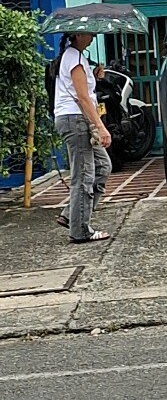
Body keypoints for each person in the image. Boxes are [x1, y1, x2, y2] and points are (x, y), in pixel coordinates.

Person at [54, 32, 113, 243]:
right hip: (75, 120)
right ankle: (80, 231)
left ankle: (72, 214)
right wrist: (100, 126)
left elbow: (80, 89)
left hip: (77, 119)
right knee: (84, 175)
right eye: (89, 33)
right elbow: (82, 97)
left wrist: (94, 77)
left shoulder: (77, 58)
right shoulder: (73, 57)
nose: (93, 36)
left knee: (102, 166)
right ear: (78, 34)